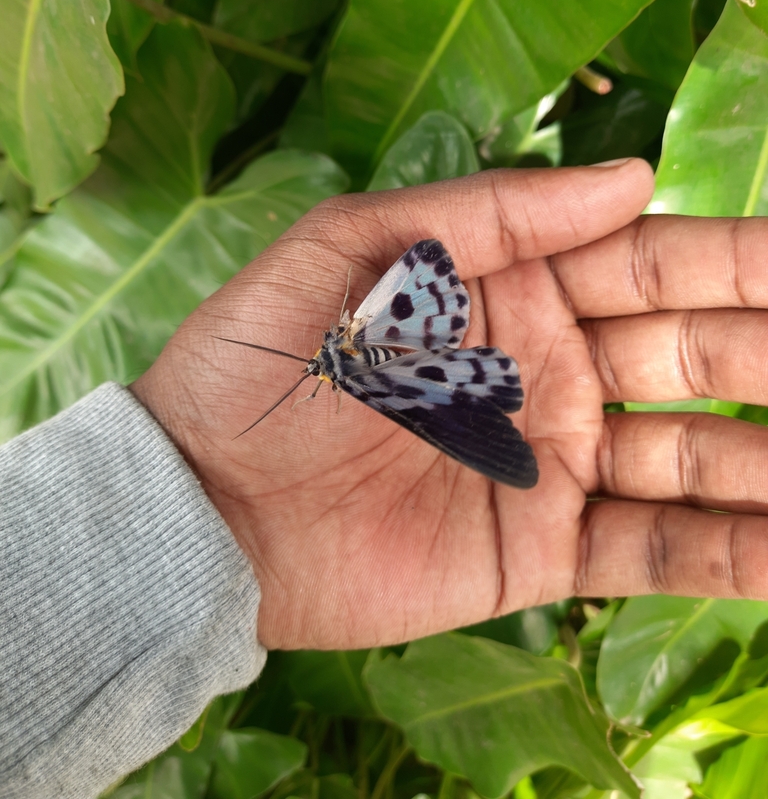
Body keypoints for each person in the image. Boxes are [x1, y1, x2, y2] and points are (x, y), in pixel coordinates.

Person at [3, 160, 768, 798]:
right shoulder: (342, 362)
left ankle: (449, 386)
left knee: (397, 391)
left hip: (394, 358)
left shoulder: (344, 372)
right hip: (391, 329)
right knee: (394, 387)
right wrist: (206, 472)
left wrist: (201, 472)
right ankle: (445, 383)